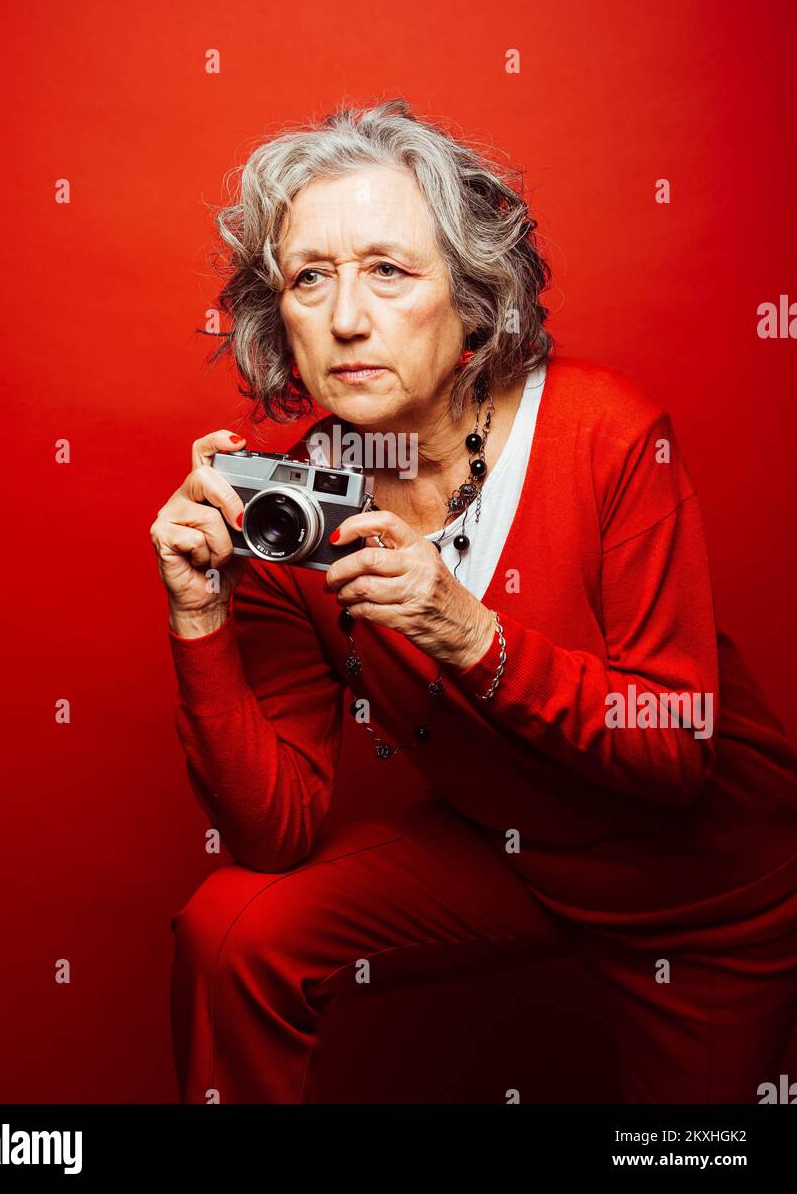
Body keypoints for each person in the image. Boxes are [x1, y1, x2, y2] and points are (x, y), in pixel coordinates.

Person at [150, 98, 797, 1104]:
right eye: (308, 278)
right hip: (507, 850)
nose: (346, 319)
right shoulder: (286, 508)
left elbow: (675, 753)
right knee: (235, 928)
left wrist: (468, 634)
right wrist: (197, 616)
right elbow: (271, 834)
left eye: (389, 270)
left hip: (696, 889)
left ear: (474, 295)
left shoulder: (603, 433)